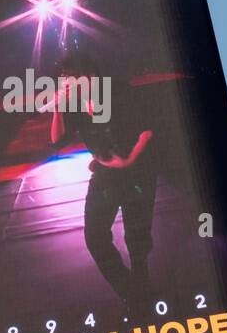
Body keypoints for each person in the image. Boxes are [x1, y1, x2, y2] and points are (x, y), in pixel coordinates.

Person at [50, 49, 157, 308]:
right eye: (63, 78)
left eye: (69, 77)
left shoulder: (117, 91)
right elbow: (57, 141)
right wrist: (56, 110)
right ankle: (131, 294)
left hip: (137, 172)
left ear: (87, 76)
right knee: (95, 236)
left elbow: (147, 130)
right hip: (104, 174)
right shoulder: (73, 105)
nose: (65, 83)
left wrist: (128, 160)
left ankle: (142, 295)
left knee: (137, 239)